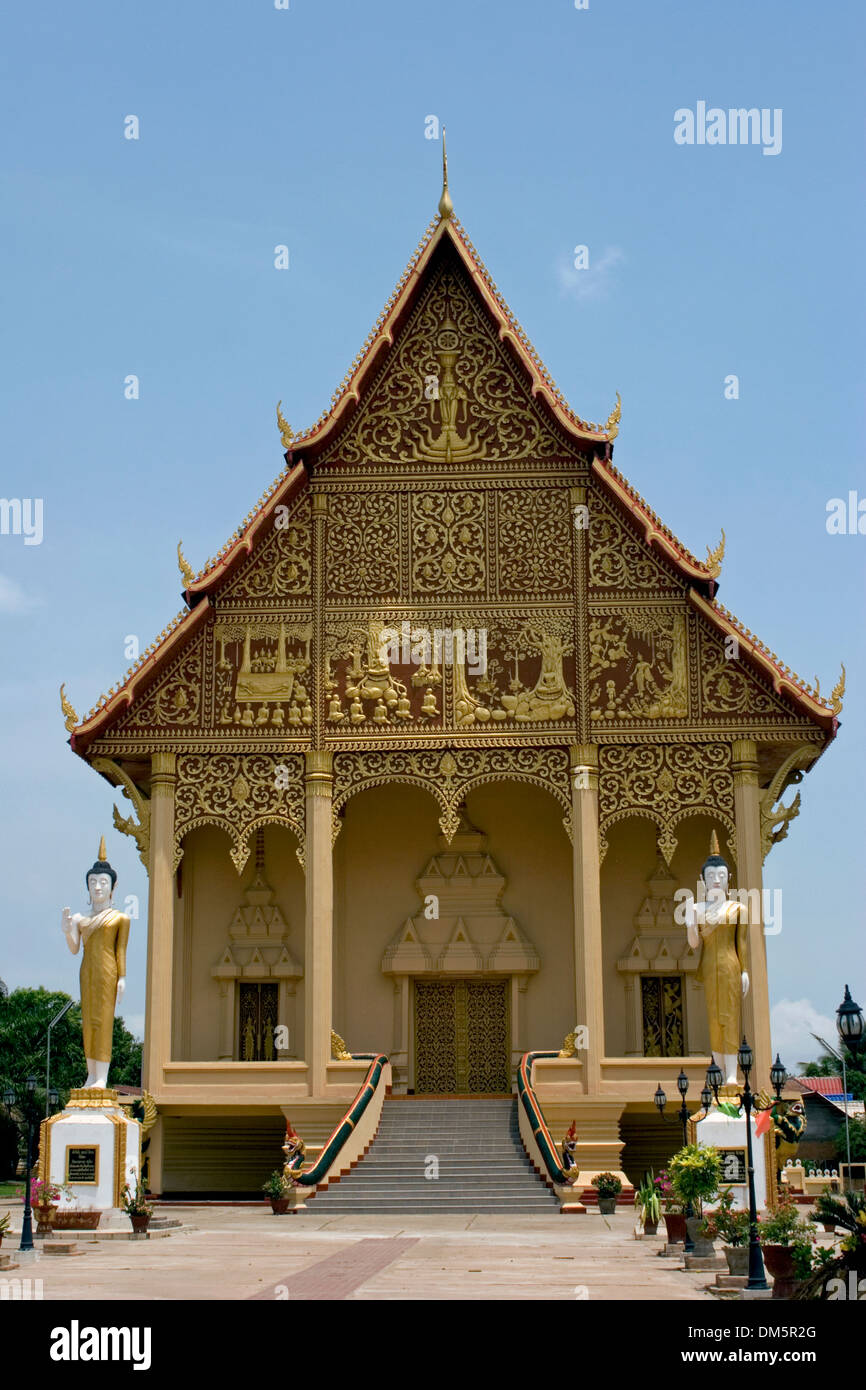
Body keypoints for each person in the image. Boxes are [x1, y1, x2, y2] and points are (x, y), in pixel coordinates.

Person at [61, 837, 130, 1089]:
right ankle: (91, 1074)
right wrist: (67, 930)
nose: (97, 887)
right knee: (88, 1022)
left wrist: (122, 977)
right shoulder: (81, 918)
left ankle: (102, 1077)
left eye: (103, 882)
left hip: (108, 972)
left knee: (103, 1021)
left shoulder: (120, 918)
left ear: (113, 886)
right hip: (87, 973)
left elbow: (120, 949)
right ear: (87, 887)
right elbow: (74, 948)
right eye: (93, 883)